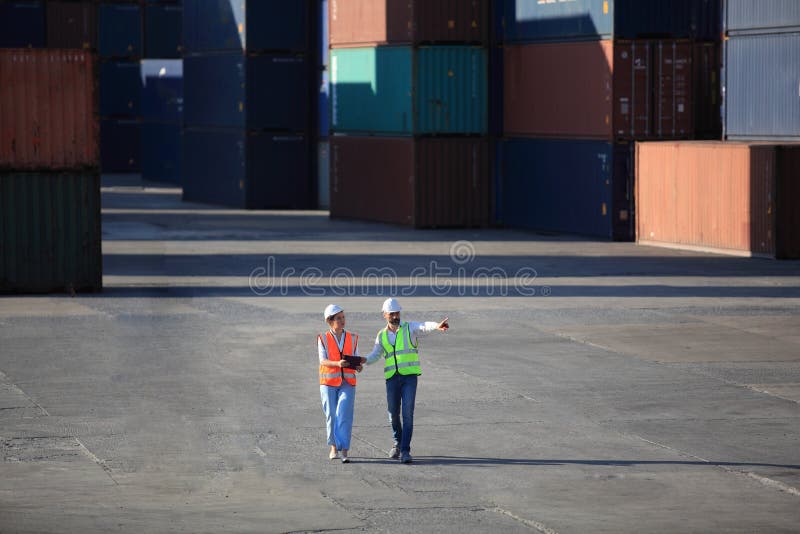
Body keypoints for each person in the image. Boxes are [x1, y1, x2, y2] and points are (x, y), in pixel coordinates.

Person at [362, 298, 449, 464]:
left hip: (409, 377)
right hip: (392, 379)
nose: (395, 316)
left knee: (407, 414)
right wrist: (362, 361)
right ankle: (397, 442)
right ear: (385, 315)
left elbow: (423, 326)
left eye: (397, 313)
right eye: (392, 313)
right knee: (393, 414)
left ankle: (405, 450)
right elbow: (374, 356)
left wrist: (437, 326)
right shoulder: (381, 336)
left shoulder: (409, 328)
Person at [318, 304, 366, 464]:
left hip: (348, 381)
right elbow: (322, 360)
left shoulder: (353, 338)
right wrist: (337, 364)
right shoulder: (323, 338)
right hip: (328, 382)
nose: (342, 320)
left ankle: (344, 449)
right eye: (338, 318)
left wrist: (358, 366)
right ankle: (333, 447)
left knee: (344, 414)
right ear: (329, 321)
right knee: (331, 414)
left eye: (343, 317)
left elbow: (356, 357)